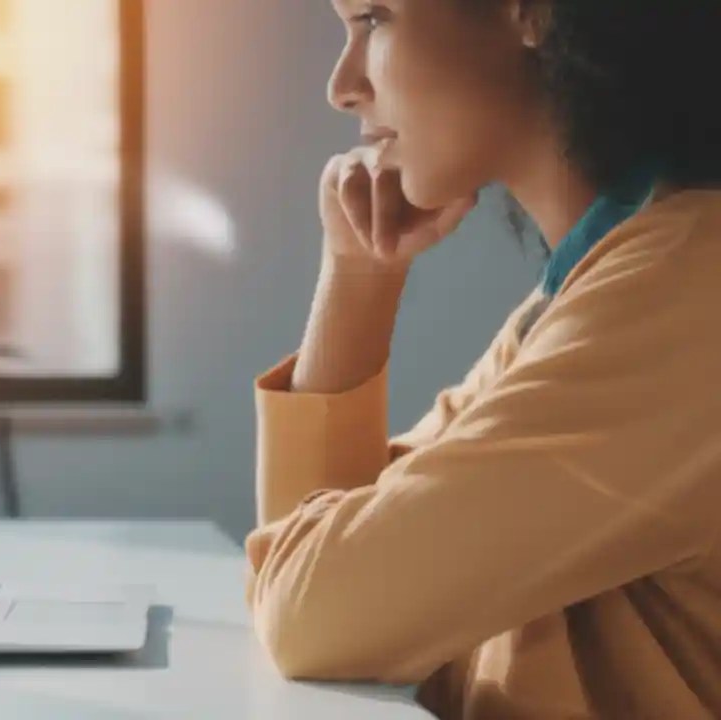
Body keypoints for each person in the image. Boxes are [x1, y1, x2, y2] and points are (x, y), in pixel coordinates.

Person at [244, 1, 721, 717]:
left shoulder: (687, 291)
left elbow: (312, 612)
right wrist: (359, 275)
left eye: (374, 19)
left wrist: (316, 585)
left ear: (536, 14)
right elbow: (306, 567)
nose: (341, 86)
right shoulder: (578, 297)